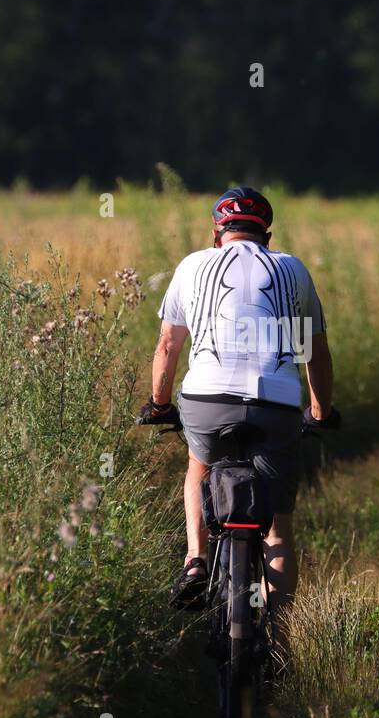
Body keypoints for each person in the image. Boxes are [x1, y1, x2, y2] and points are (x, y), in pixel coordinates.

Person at [138, 186, 338, 629]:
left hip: (207, 397)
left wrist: (159, 404)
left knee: (199, 467)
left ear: (217, 231)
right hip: (277, 403)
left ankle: (195, 558)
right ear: (266, 232)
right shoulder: (292, 268)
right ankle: (281, 640)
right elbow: (314, 353)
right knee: (278, 528)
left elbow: (169, 345)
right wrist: (321, 411)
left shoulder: (192, 264)